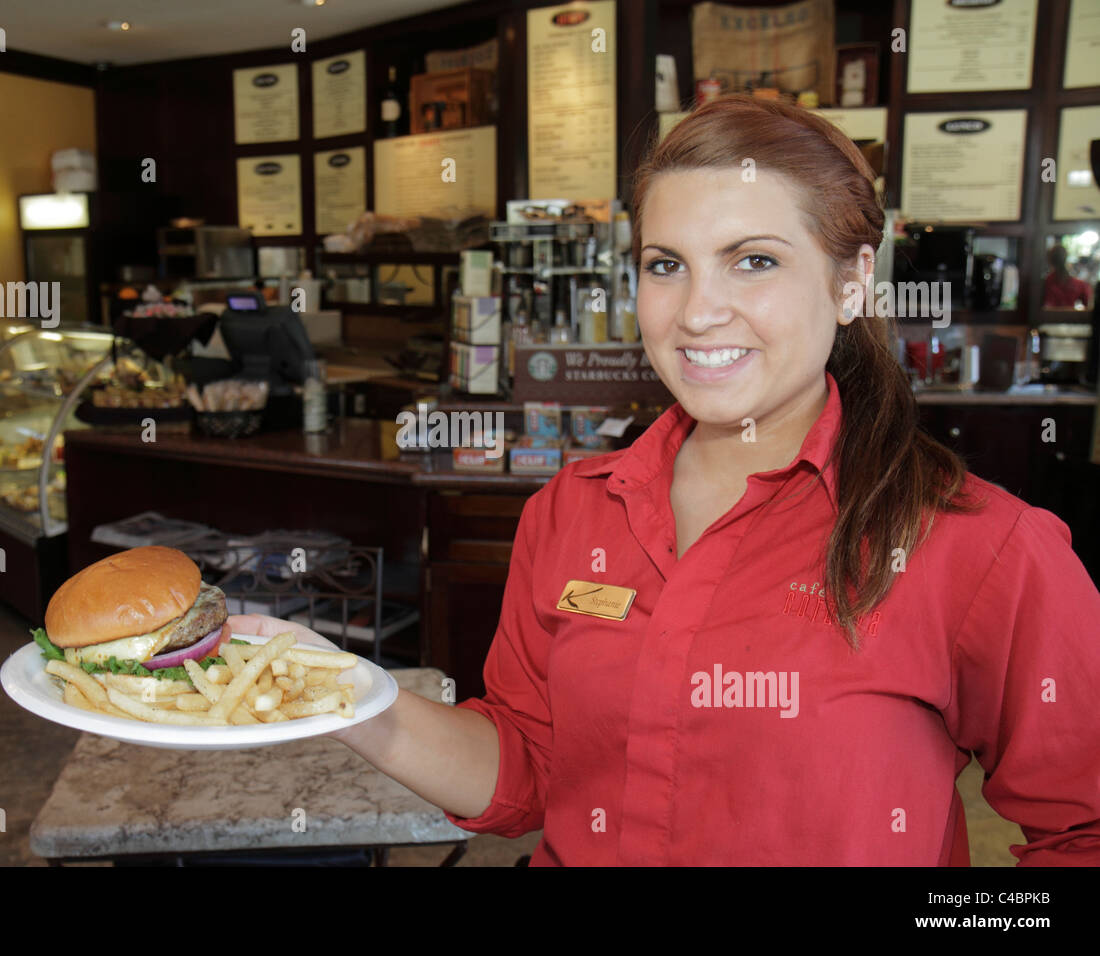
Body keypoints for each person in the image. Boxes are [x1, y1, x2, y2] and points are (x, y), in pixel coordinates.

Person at [232, 95, 1100, 866]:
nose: (695, 312)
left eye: (753, 260)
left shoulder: (980, 546)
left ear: (851, 282)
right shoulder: (569, 511)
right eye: (665, 264)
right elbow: (529, 769)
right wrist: (336, 687)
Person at [1043, 243, 1093, 309]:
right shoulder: (1079, 284)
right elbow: (1088, 307)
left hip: (1051, 318)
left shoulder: (1044, 283)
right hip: (1067, 318)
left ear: (1049, 260)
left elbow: (1088, 308)